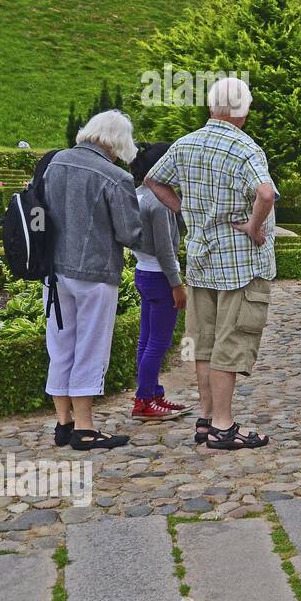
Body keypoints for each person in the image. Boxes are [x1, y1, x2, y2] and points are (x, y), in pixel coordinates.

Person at [144, 77, 275, 450]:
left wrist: (186, 211)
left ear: (211, 106)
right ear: (244, 112)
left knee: (203, 342)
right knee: (231, 343)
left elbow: (154, 179)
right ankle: (223, 425)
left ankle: (205, 419)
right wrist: (253, 225)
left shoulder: (186, 144)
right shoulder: (246, 148)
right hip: (240, 263)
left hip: (201, 260)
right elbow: (264, 193)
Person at [44, 110, 142, 450]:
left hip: (54, 271)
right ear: (117, 142)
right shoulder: (115, 176)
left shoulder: (55, 163)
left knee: (59, 345)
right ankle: (85, 429)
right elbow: (130, 232)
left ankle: (63, 424)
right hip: (95, 273)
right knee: (89, 347)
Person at [129, 142, 190, 420]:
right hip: (160, 276)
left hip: (143, 271)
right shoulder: (159, 201)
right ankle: (144, 400)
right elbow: (166, 250)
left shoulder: (136, 195)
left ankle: (151, 393)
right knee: (159, 343)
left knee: (146, 339)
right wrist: (176, 284)